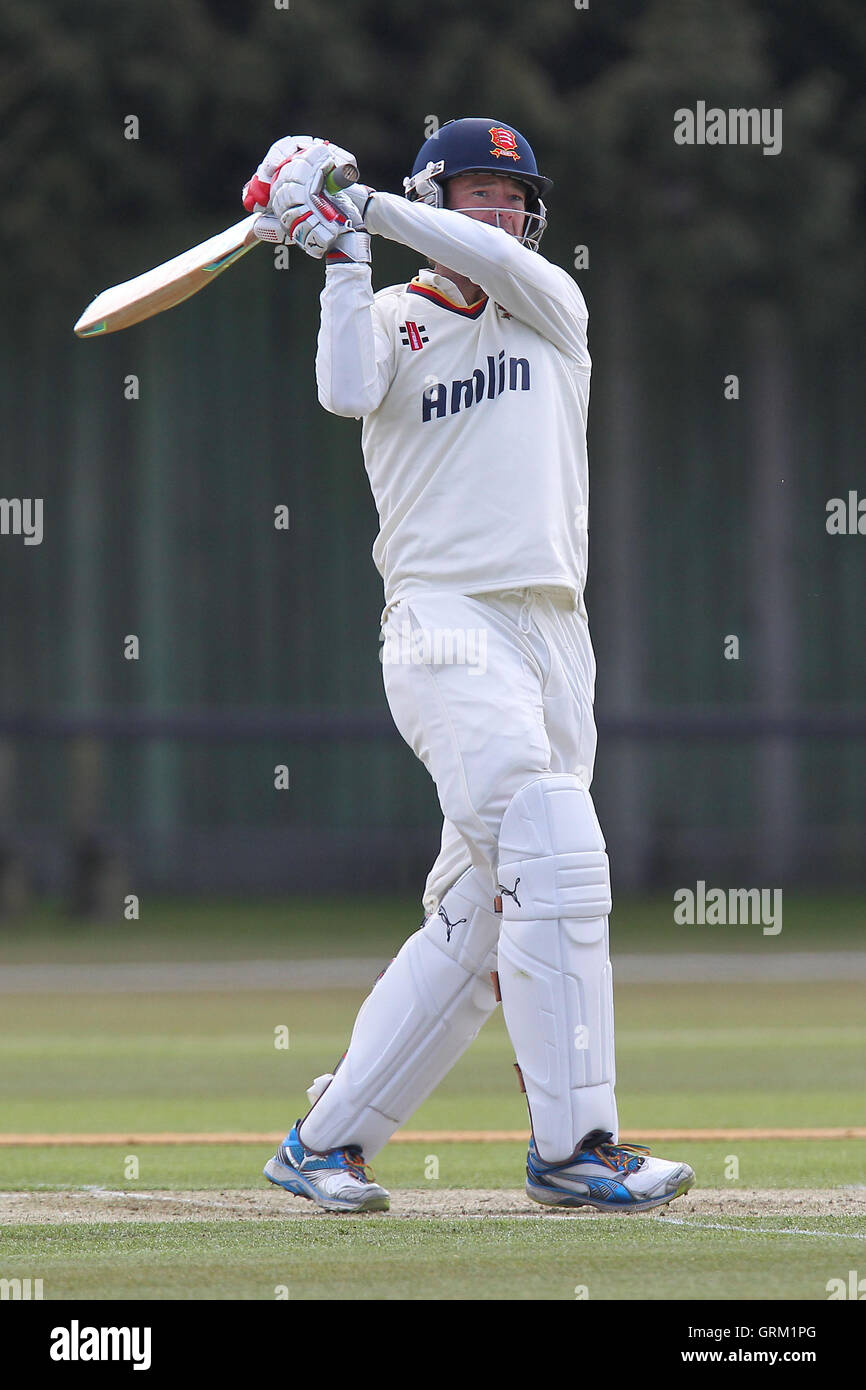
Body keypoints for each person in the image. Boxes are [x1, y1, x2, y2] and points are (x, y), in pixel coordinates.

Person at [243, 119, 695, 1214]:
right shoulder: (391, 319)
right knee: (551, 843)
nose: (496, 213)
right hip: (442, 623)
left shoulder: (549, 304)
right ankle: (575, 1146)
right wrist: (343, 258)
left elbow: (490, 263)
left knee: (480, 917)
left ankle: (323, 1139)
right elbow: (347, 390)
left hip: (552, 637)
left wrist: (362, 209)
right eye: (476, 194)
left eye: (511, 196)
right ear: (435, 197)